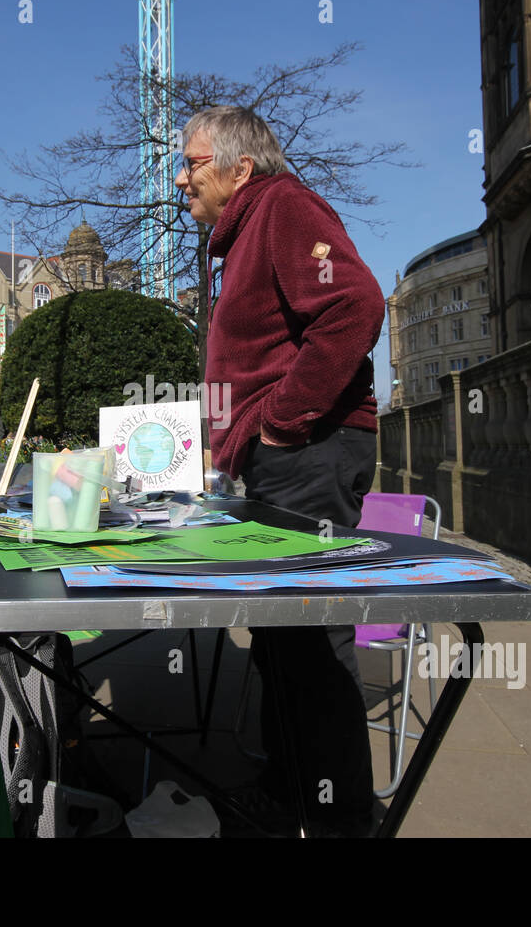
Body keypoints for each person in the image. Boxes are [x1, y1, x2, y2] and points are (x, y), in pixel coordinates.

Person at [177, 105, 386, 836]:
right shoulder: (241, 234)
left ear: (240, 167)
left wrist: (280, 424)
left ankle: (339, 821)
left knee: (307, 638)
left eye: (192, 162)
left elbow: (355, 303)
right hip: (288, 460)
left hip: (311, 455)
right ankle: (292, 790)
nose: (181, 178)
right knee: (279, 636)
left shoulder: (284, 205)